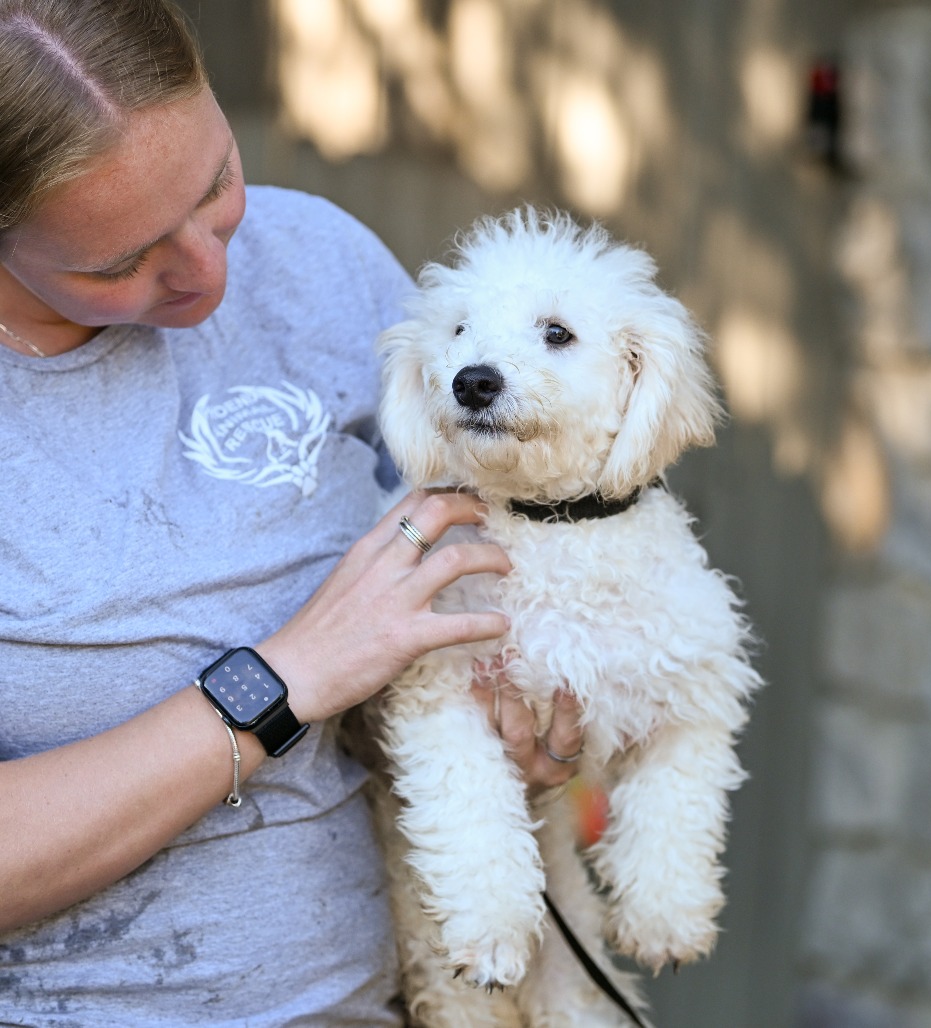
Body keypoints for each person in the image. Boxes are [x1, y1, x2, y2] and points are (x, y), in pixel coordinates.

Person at [0, 1, 584, 1023]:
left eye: (216, 183)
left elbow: (493, 556)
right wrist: (282, 679)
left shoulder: (322, 260)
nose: (211, 273)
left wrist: (528, 732)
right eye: (117, 263)